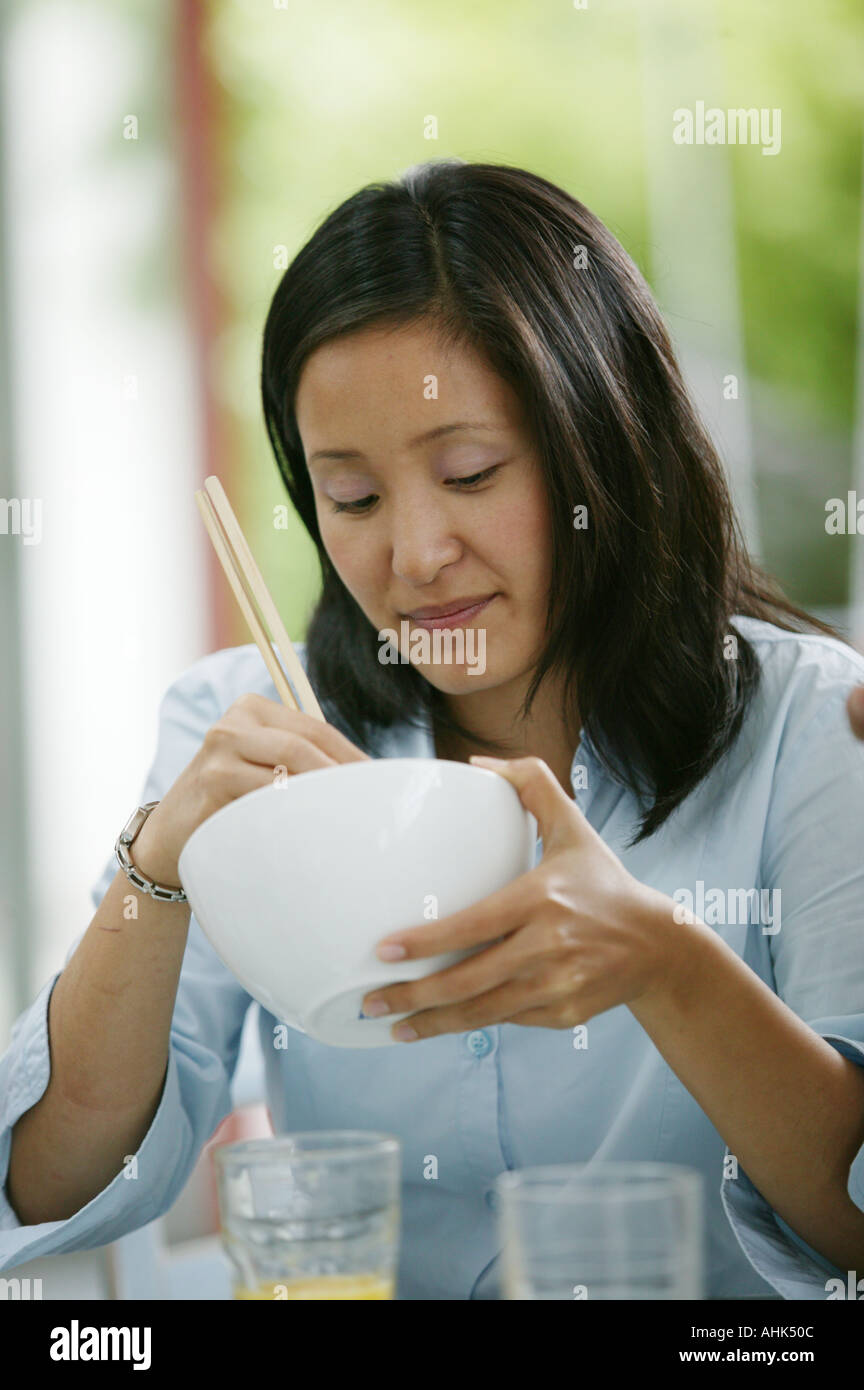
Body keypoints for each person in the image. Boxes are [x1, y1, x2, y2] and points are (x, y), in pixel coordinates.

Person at [2, 159, 864, 1300]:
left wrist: (669, 966)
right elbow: (53, 1181)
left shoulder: (811, 728)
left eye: (469, 473)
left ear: (602, 445)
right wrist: (153, 867)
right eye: (350, 498)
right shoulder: (240, 730)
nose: (412, 556)